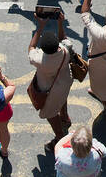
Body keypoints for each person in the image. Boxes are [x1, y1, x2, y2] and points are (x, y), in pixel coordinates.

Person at [27, 12, 73, 148]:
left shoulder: (39, 59)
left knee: (50, 113)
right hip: (65, 82)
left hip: (50, 89)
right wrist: (60, 23)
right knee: (62, 98)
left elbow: (31, 48)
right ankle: (64, 116)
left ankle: (59, 138)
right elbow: (63, 38)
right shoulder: (65, 50)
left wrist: (40, 27)